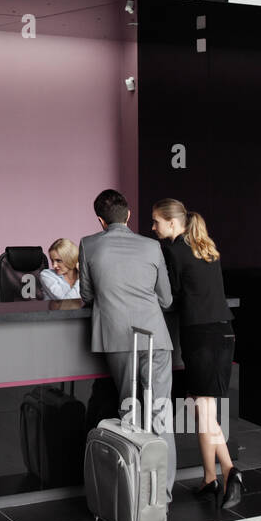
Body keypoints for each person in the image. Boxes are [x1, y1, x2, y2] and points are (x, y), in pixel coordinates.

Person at [77, 188, 175, 502]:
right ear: (129, 215)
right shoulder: (151, 245)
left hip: (119, 338)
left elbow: (87, 295)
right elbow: (166, 298)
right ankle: (162, 494)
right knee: (161, 412)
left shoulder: (89, 245)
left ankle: (134, 491)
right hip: (156, 338)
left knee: (130, 410)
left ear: (100, 220)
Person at [151, 199, 241, 509]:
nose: (153, 228)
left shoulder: (173, 251)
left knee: (203, 411)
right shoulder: (207, 248)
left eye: (157, 222)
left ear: (173, 224)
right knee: (206, 409)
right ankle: (208, 479)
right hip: (225, 332)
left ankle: (230, 471)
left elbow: (170, 295)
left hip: (200, 336)